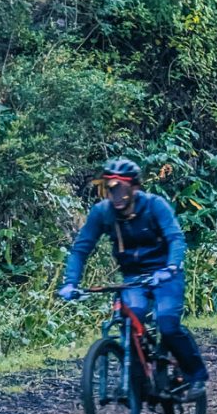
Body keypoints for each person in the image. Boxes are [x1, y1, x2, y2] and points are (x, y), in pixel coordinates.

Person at [58, 158, 208, 401]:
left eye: (118, 187)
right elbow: (80, 250)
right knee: (130, 321)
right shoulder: (102, 213)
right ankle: (140, 384)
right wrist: (70, 283)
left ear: (133, 187)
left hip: (165, 274)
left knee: (168, 324)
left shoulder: (154, 206)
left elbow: (175, 239)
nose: (114, 193)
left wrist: (170, 267)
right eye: (109, 187)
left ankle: (195, 374)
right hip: (133, 278)